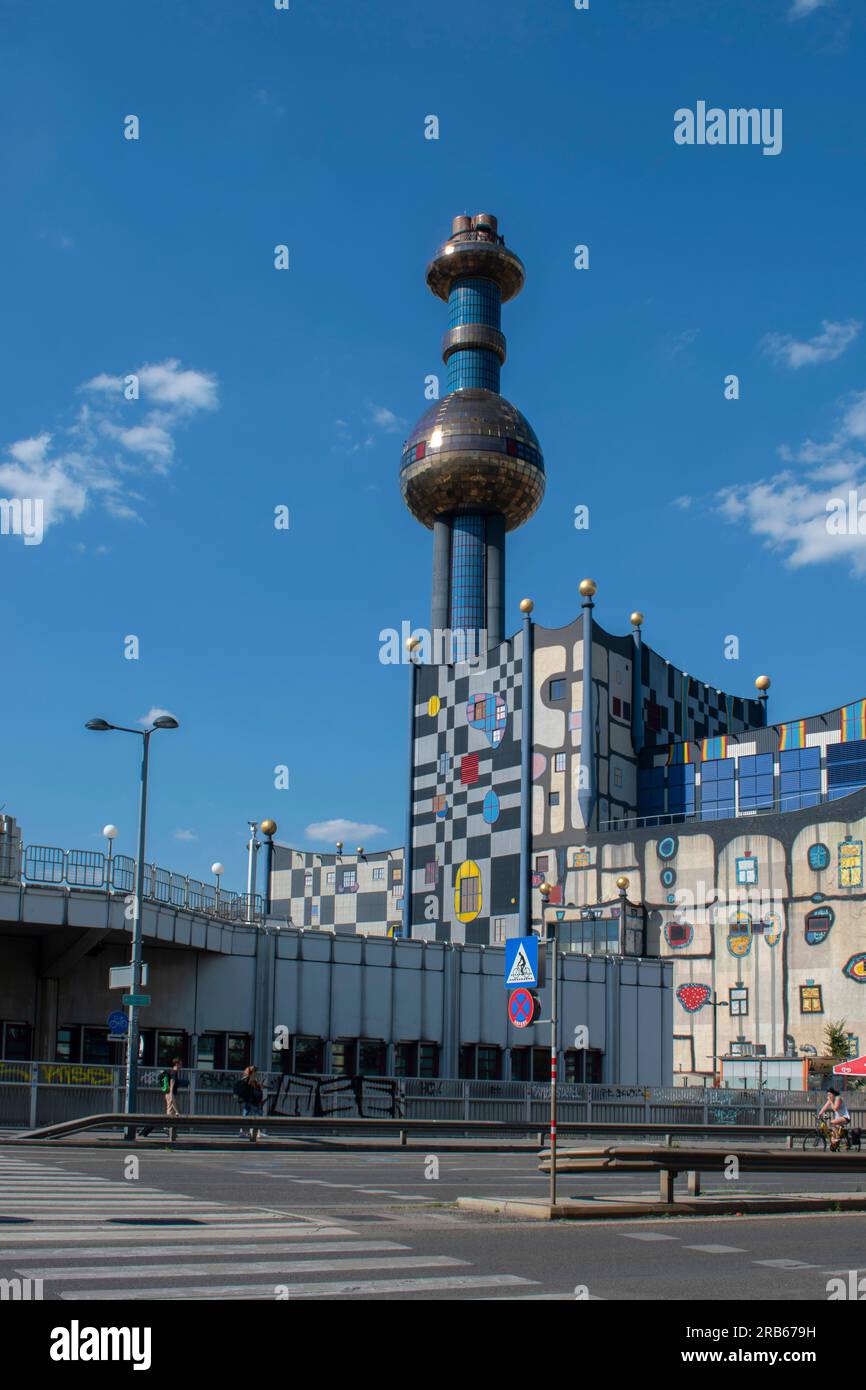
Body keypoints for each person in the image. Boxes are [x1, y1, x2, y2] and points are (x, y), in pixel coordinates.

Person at [140, 1057, 184, 1139]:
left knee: (171, 1113)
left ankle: (167, 1130)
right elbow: (172, 1085)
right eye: (181, 1064)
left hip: (168, 1094)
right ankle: (167, 1129)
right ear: (177, 1064)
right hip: (171, 1094)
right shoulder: (174, 1073)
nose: (181, 1066)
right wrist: (171, 1096)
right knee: (172, 1114)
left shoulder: (171, 1072)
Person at [234, 1065, 268, 1141]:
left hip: (248, 1100)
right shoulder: (249, 1078)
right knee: (259, 1114)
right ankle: (256, 1132)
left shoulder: (247, 1078)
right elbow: (252, 1087)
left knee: (245, 1114)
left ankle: (242, 1131)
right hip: (252, 1100)